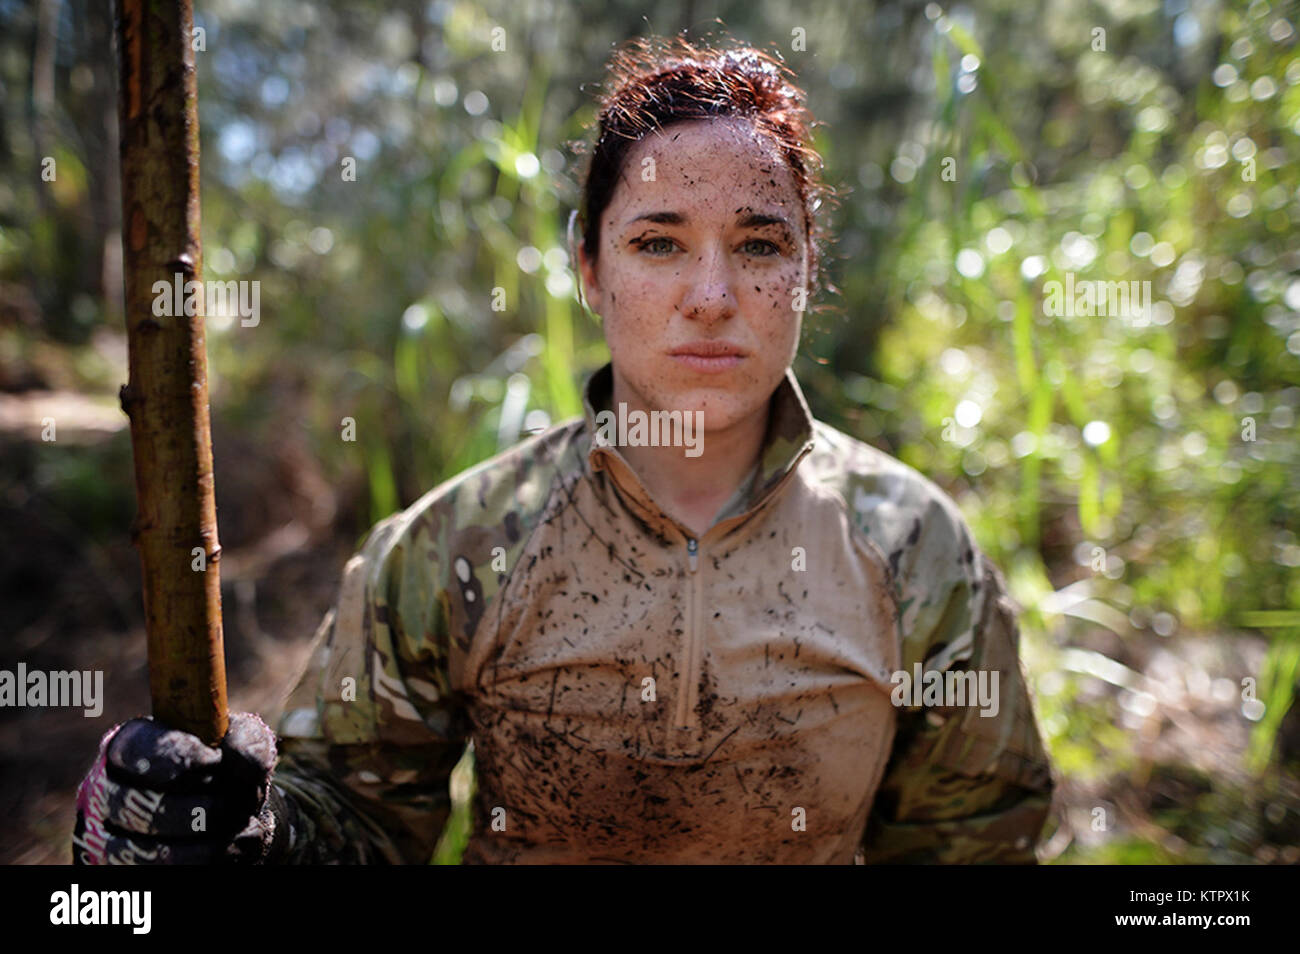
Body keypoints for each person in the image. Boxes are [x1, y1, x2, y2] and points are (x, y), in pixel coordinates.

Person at [73, 35, 1054, 865]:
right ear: (590, 268)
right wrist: (239, 831)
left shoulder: (913, 549)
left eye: (760, 245)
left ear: (806, 271)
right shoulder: (456, 545)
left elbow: (975, 841)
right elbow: (357, 823)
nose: (712, 296)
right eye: (659, 243)